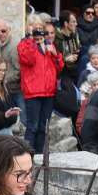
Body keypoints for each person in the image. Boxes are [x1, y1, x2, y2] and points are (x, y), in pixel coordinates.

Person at [17, 17, 63, 156]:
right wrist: (32, 40)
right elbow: (29, 60)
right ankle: (27, 156)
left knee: (43, 127)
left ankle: (38, 156)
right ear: (28, 28)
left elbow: (59, 68)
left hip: (48, 92)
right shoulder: (24, 44)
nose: (37, 29)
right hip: (33, 92)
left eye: (39, 27)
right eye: (33, 26)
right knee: (33, 127)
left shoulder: (49, 44)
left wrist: (55, 55)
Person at [0, 19, 24, 116]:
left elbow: (19, 70)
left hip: (18, 90)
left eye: (3, 31)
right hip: (10, 89)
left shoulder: (14, 46)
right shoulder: (3, 45)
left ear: (9, 30)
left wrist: (4, 80)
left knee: (24, 120)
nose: (0, 34)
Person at [55, 11, 81, 78]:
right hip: (61, 72)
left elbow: (78, 50)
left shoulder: (75, 34)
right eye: (73, 22)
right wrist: (65, 59)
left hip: (74, 69)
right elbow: (54, 60)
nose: (76, 24)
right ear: (66, 23)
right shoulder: (56, 38)